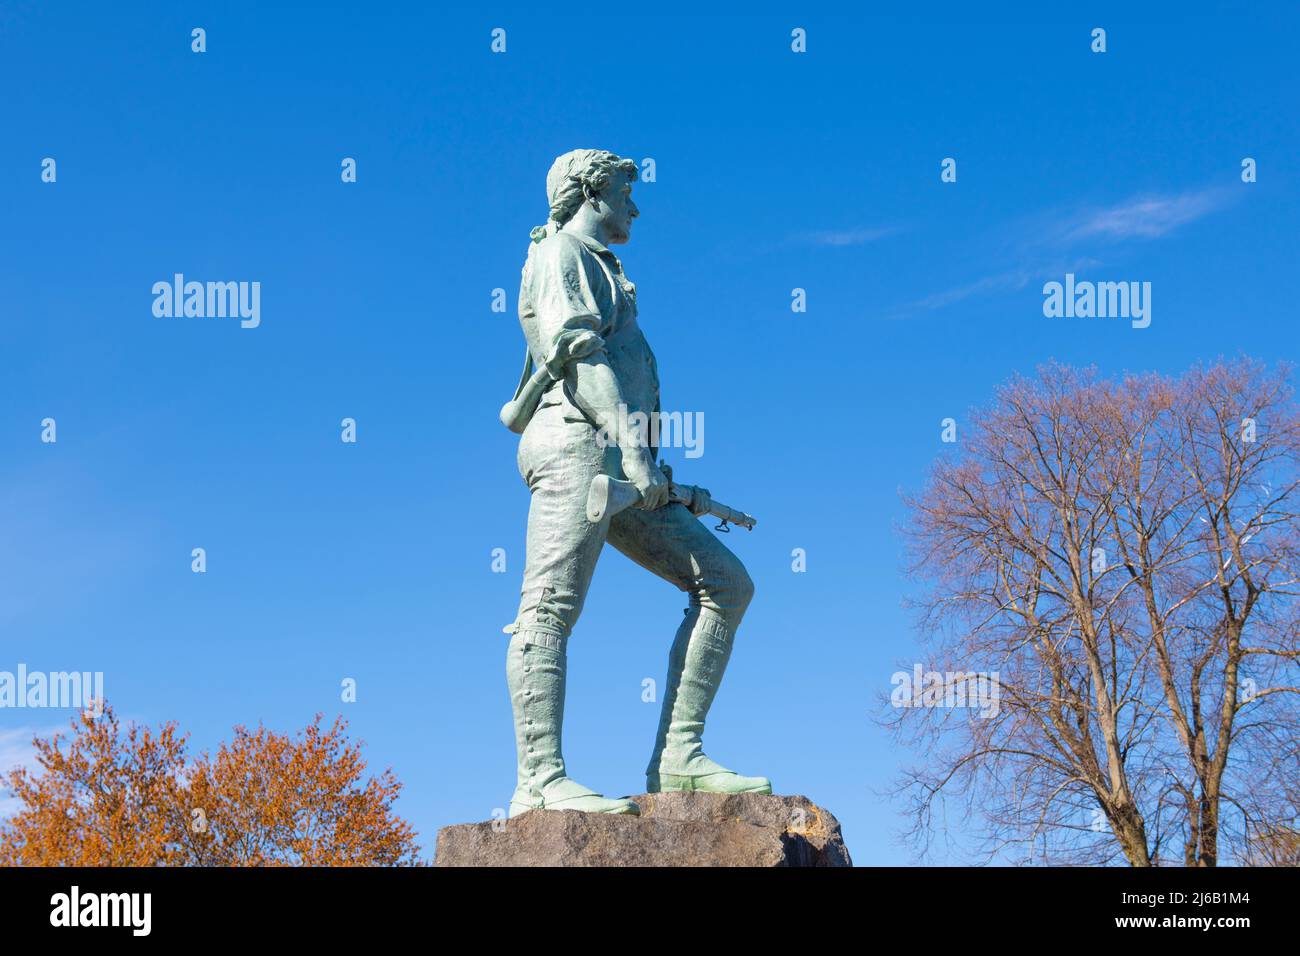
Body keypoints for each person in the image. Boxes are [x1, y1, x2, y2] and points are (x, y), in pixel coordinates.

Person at [501, 149, 771, 816]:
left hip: (626, 469)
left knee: (727, 584)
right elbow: (582, 357)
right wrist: (634, 452)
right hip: (575, 448)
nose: (636, 204)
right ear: (593, 191)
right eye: (627, 189)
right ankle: (538, 781)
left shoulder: (603, 268)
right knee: (551, 606)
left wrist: (649, 468)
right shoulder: (561, 254)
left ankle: (679, 758)